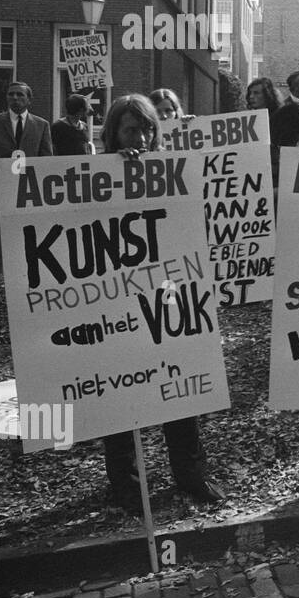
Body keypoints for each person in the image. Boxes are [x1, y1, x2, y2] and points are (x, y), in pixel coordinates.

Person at [99, 94, 225, 510]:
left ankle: (190, 473)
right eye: (131, 130)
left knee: (179, 385)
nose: (141, 137)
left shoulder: (172, 171)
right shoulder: (93, 173)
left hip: (169, 295)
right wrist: (117, 170)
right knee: (120, 394)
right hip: (114, 302)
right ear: (114, 133)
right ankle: (127, 483)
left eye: (147, 129)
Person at [0, 82, 53, 308]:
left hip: (29, 197)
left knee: (30, 243)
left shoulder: (41, 125)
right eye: (11, 95)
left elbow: (47, 161)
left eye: (20, 95)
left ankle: (28, 291)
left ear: (29, 99)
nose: (15, 98)